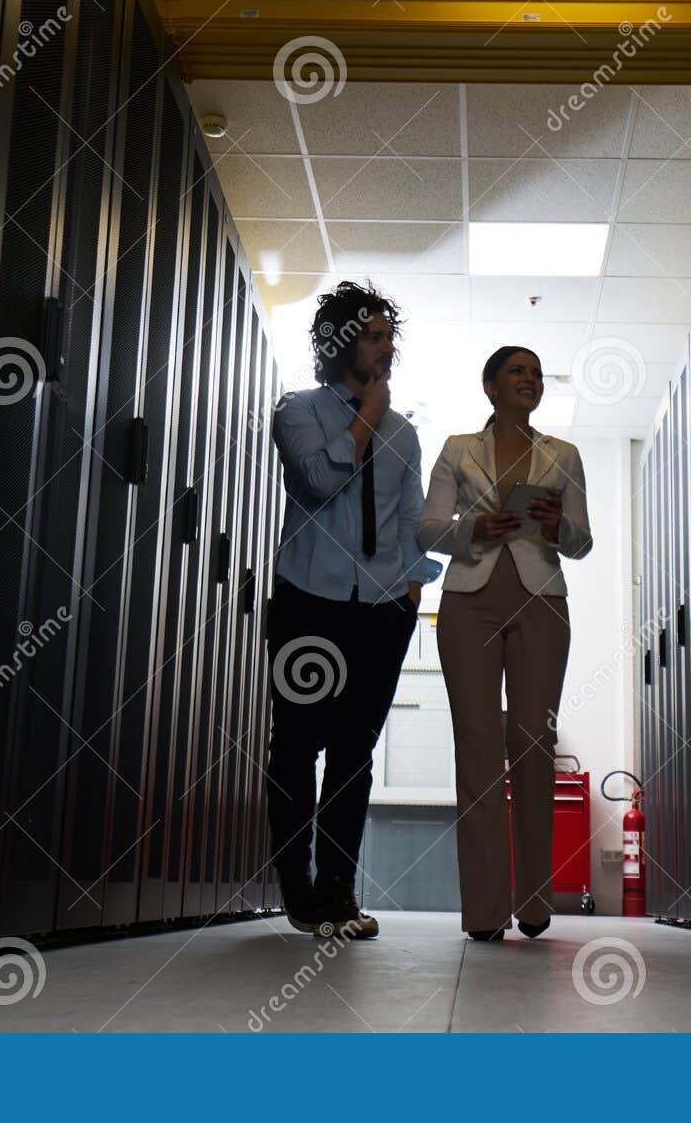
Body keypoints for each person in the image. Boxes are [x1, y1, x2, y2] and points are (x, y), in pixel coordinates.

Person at [267, 281, 438, 939]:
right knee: (296, 746)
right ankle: (298, 883)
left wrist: (412, 590)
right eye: (372, 336)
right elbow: (319, 480)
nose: (386, 347)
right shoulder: (299, 410)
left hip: (381, 611)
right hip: (309, 601)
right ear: (339, 342)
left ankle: (338, 890)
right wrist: (365, 415)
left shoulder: (404, 434)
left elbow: (410, 520)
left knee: (352, 752)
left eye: (389, 337)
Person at [417, 346, 593, 941]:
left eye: (537, 373)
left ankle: (535, 901)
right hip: (469, 600)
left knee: (533, 743)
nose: (530, 380)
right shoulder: (457, 448)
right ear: (490, 386)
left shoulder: (563, 454)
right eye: (517, 371)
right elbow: (427, 529)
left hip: (542, 602)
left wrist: (555, 525)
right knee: (477, 746)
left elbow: (582, 541)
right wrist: (473, 528)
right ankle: (485, 912)